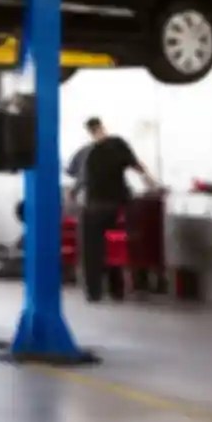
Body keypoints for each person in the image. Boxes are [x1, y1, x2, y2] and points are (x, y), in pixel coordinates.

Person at [70, 116, 157, 302]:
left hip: (95, 206)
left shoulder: (87, 151)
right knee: (114, 247)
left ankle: (94, 292)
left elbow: (78, 178)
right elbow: (136, 164)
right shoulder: (117, 144)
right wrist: (150, 180)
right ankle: (115, 290)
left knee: (92, 250)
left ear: (90, 131)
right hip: (118, 206)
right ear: (102, 128)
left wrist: (73, 193)